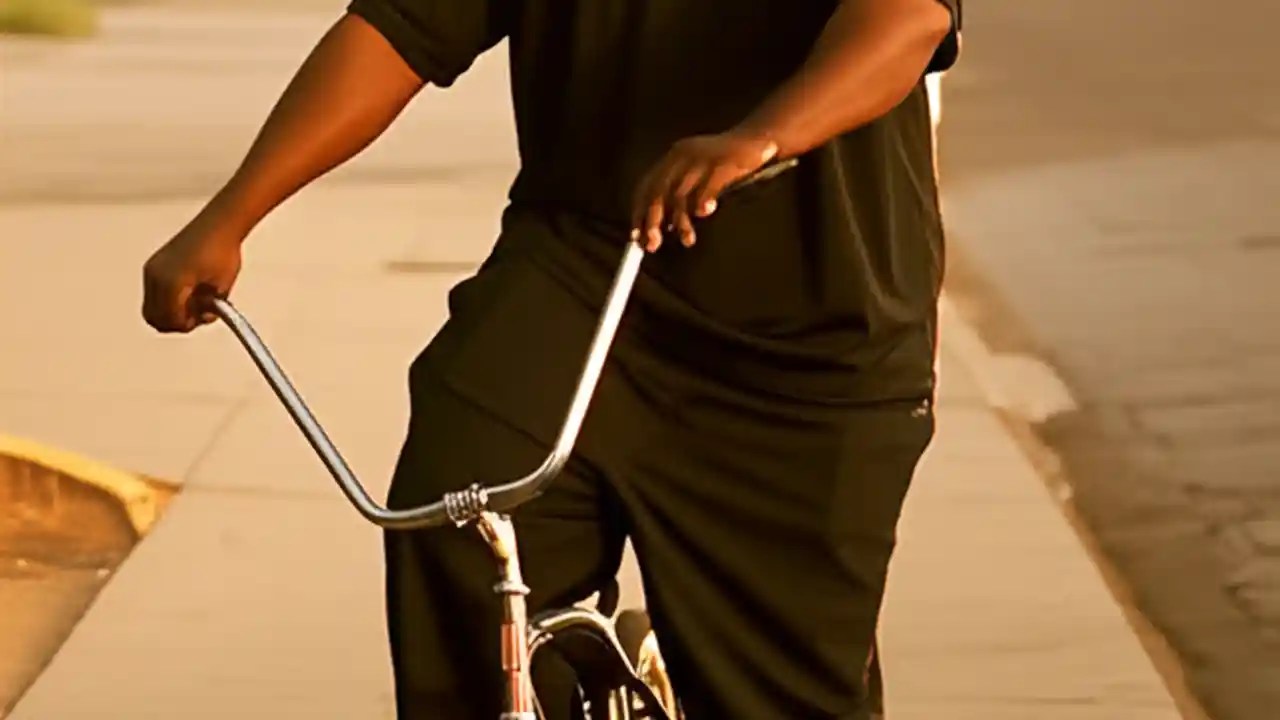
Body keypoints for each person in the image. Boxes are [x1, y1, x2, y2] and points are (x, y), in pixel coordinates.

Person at [141, 0, 962, 717]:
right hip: (585, 273)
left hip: (810, 331)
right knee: (454, 509)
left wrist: (761, 137)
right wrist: (232, 214)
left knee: (780, 695)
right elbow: (398, 29)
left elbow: (906, 16)